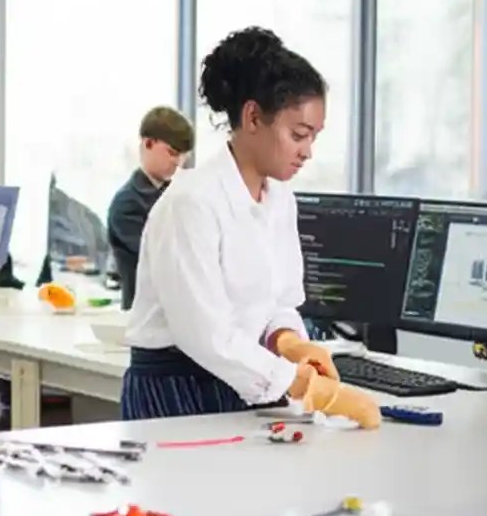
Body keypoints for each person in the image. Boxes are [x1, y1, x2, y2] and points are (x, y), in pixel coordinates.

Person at [121, 27, 380, 429]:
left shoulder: (279, 199)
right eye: (298, 134)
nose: (307, 152)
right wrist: (307, 388)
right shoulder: (192, 202)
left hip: (241, 383)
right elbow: (207, 336)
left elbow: (278, 302)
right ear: (253, 117)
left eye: (314, 137)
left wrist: (289, 342)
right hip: (175, 391)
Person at [106, 106, 195, 310]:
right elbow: (161, 261)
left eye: (183, 157)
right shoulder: (126, 204)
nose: (178, 163)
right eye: (172, 153)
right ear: (148, 143)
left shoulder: (179, 195)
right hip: (144, 317)